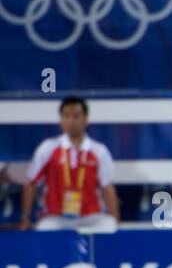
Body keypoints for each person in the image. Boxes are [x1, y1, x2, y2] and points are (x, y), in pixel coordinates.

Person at [19, 96, 119, 231]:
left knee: (109, 226)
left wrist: (116, 220)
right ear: (61, 120)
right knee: (44, 228)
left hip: (90, 216)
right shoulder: (48, 148)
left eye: (76, 116)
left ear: (86, 120)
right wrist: (25, 219)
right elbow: (31, 183)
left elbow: (107, 187)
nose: (71, 121)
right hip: (55, 217)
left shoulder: (99, 151)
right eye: (66, 116)